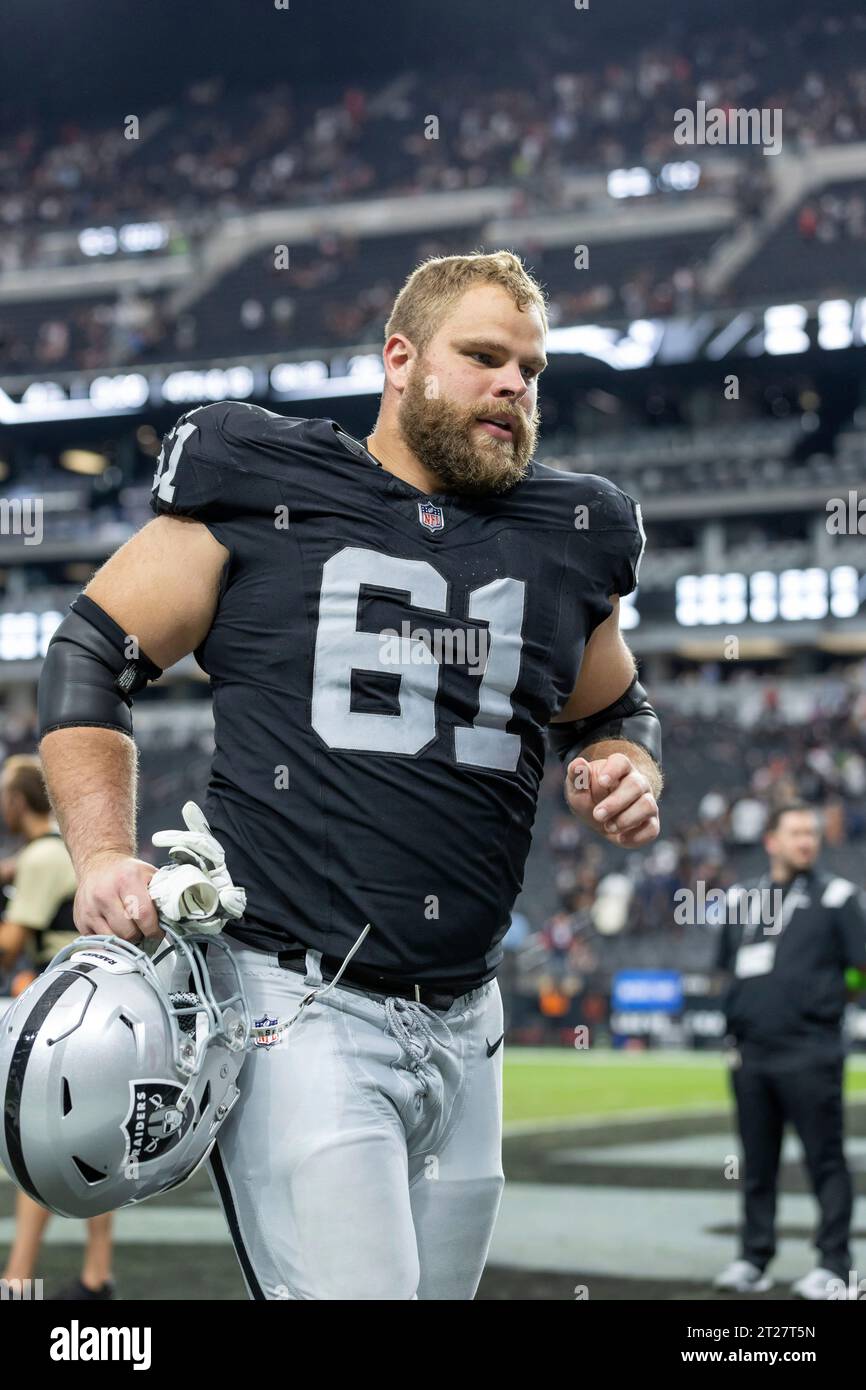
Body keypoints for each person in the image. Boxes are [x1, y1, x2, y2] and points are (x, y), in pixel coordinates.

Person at [36, 250, 662, 1300]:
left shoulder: (571, 532)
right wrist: (99, 852)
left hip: (470, 1017)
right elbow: (91, 653)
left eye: (531, 369)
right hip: (299, 998)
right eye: (482, 357)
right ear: (400, 359)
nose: (515, 385)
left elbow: (611, 710)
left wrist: (624, 765)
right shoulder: (267, 477)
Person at [713, 801, 866, 1301]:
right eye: (796, 832)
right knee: (757, 1162)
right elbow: (726, 967)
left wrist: (830, 1001)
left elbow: (859, 970)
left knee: (825, 1160)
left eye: (813, 833)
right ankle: (754, 1258)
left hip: (812, 1050)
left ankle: (834, 1263)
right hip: (752, 1054)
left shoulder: (839, 897)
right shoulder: (740, 899)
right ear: (771, 841)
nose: (807, 841)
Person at [0, 755, 116, 1301]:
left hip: (56, 1018)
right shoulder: (64, 850)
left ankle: (16, 1282)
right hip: (94, 1010)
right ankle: (97, 1275)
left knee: (36, 1141)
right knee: (94, 1141)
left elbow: (10, 947)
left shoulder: (39, 861)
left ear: (17, 802)